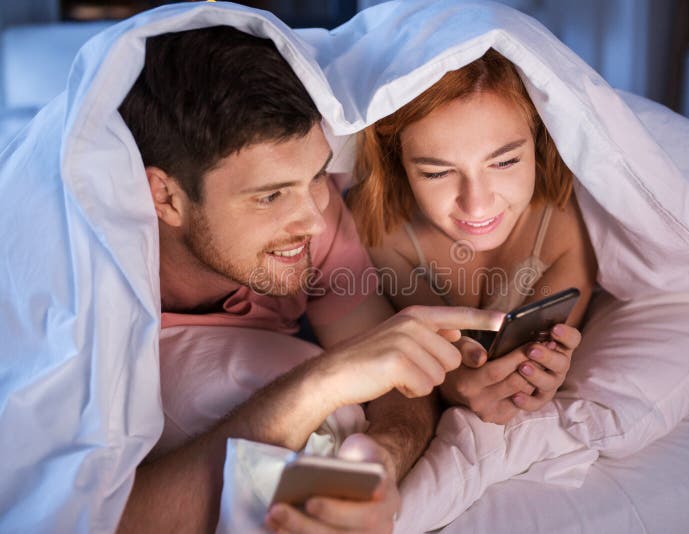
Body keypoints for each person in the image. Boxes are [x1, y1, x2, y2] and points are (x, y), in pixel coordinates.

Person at [115, 26, 502, 533]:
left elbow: (388, 367)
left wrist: (379, 457)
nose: (315, 222)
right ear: (165, 197)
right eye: (270, 196)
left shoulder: (310, 220)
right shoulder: (95, 280)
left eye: (317, 176)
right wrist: (322, 384)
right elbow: (94, 520)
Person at [348, 48, 597, 424]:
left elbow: (536, 360)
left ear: (539, 142)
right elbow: (432, 351)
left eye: (505, 161)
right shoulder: (382, 226)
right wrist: (453, 382)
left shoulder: (571, 220)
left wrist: (541, 372)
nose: (477, 206)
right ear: (397, 162)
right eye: (436, 173)